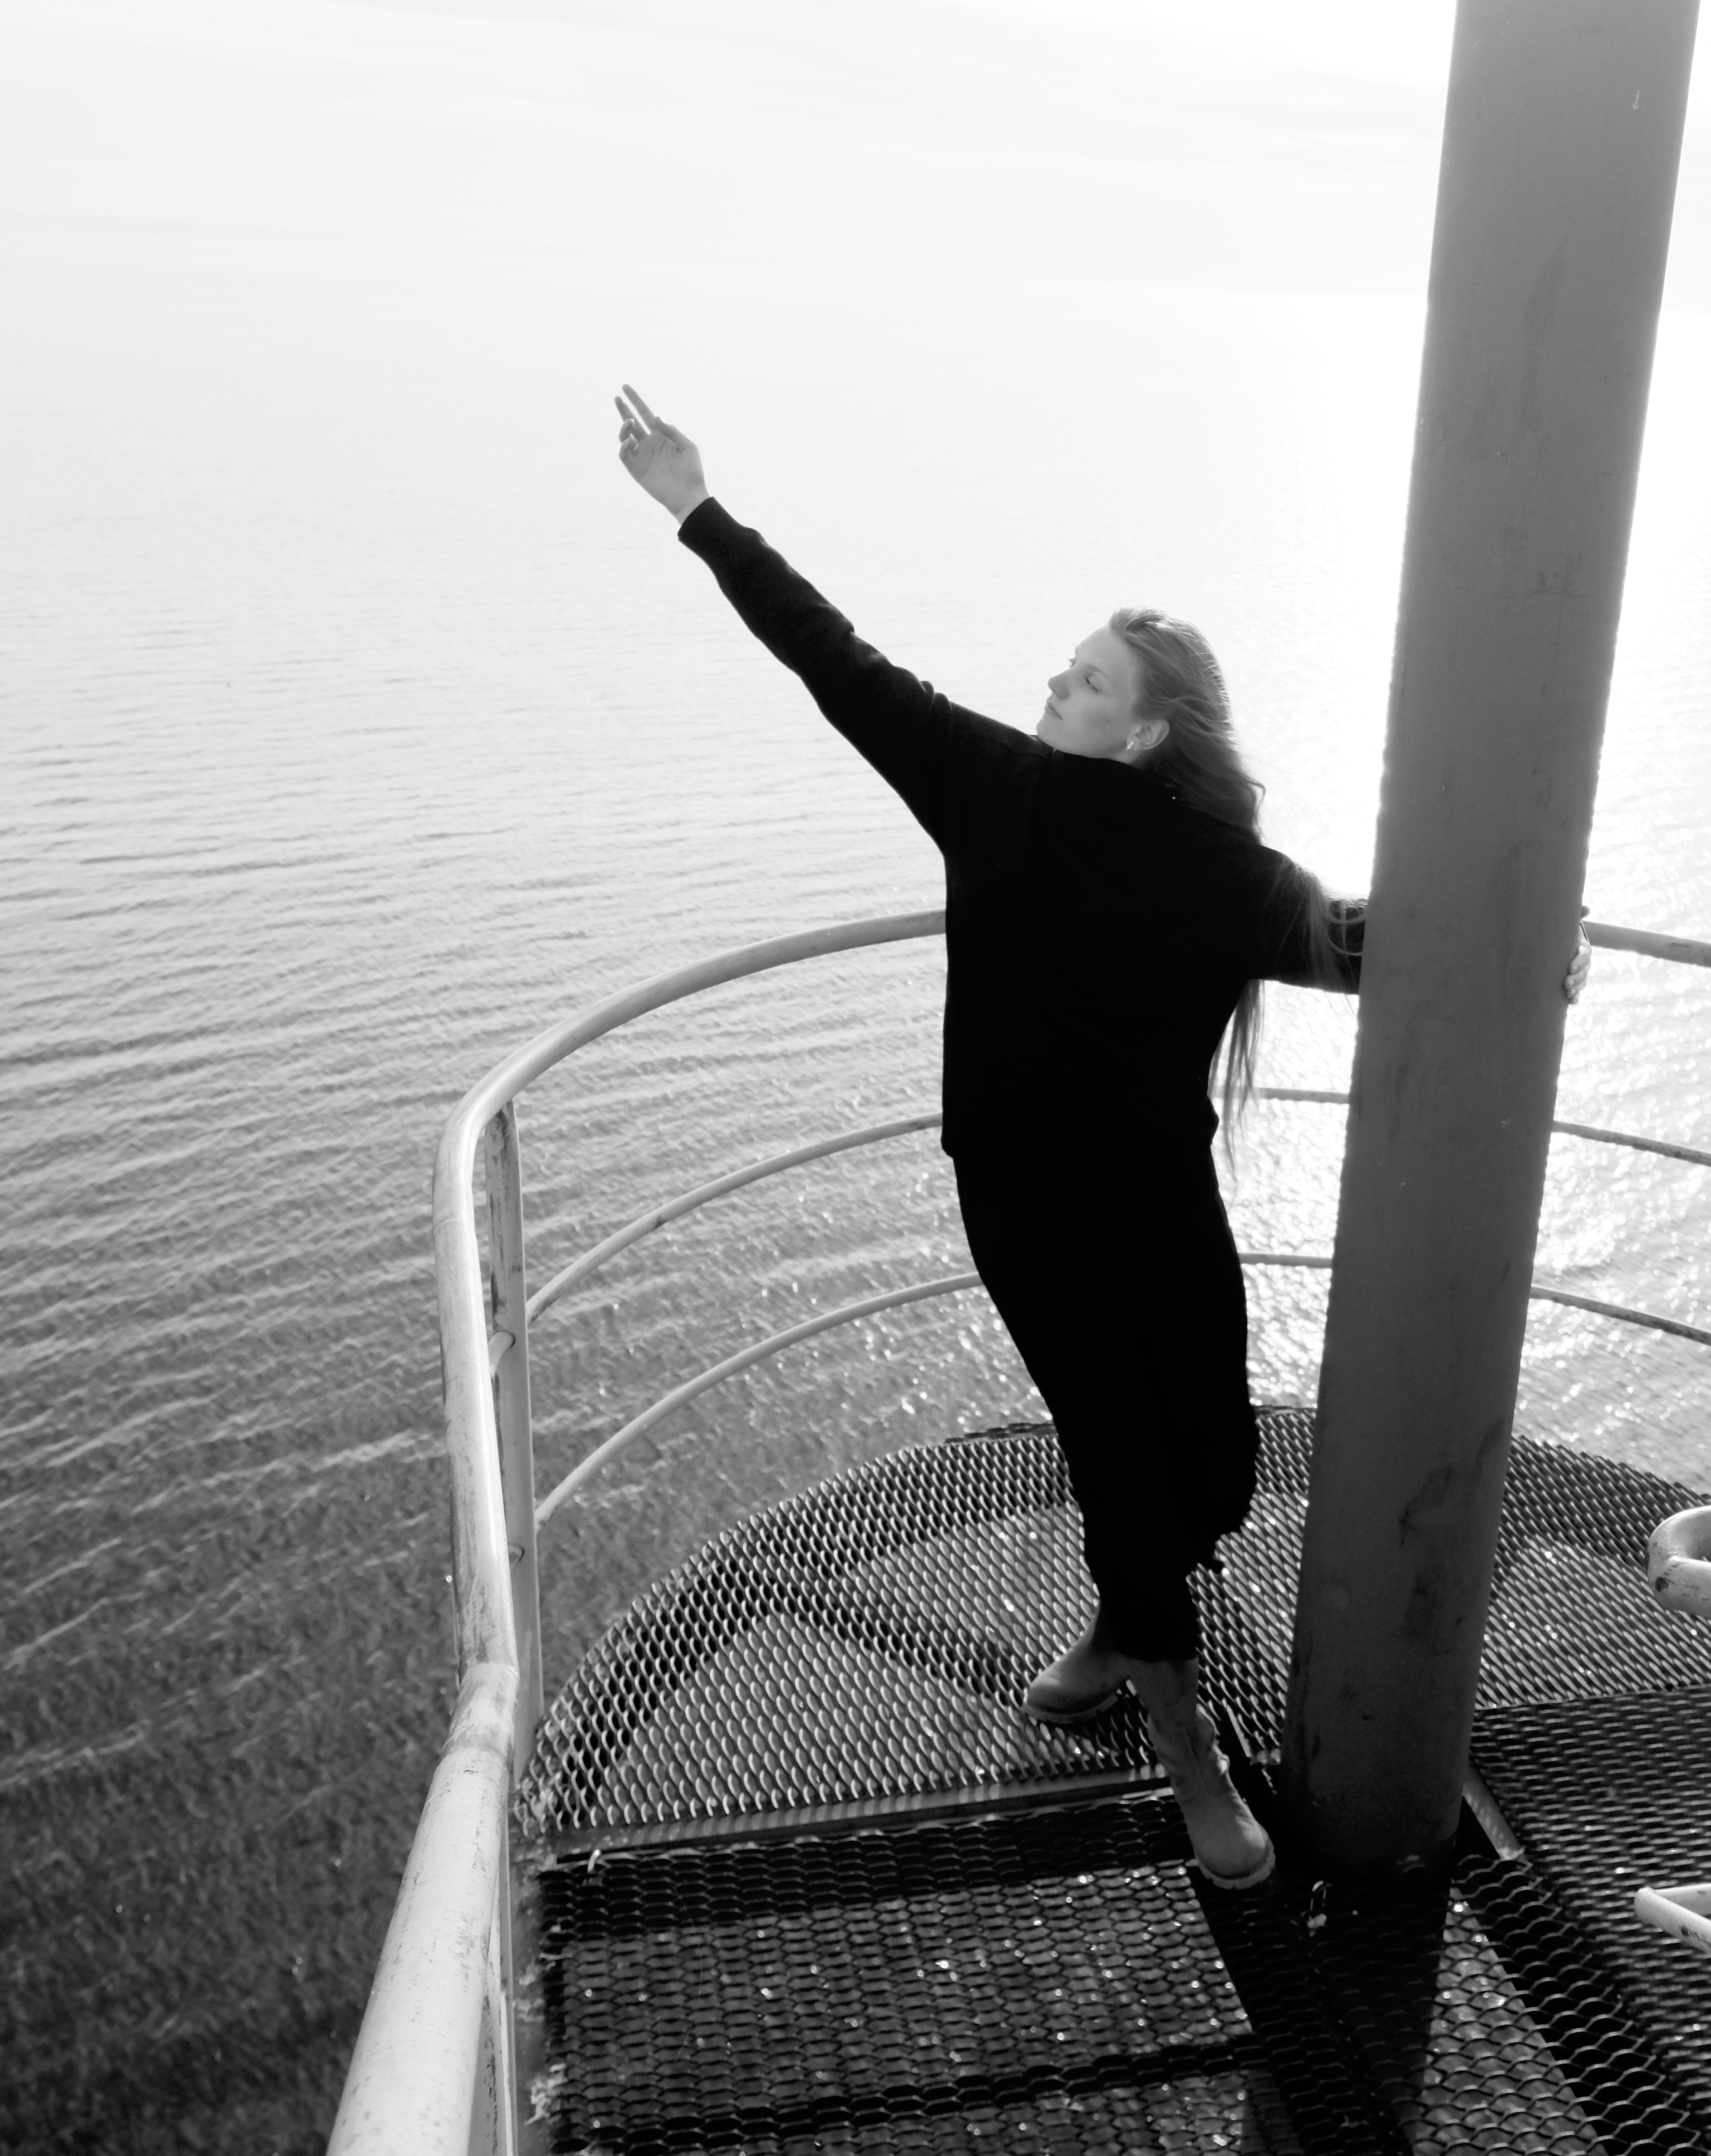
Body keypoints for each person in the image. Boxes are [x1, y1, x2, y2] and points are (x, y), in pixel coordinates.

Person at [614, 384, 1588, 1889]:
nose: (1050, 686)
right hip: (1025, 1204)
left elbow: (1360, 945)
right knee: (1129, 1481)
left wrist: (1532, 949)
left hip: (1156, 1204)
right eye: (1063, 670)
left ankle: (1108, 1638)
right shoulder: (986, 787)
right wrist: (695, 506)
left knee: (1209, 1470)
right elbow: (831, 655)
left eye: (1082, 681)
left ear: (1148, 732)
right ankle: (1195, 1768)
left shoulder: (1227, 874)